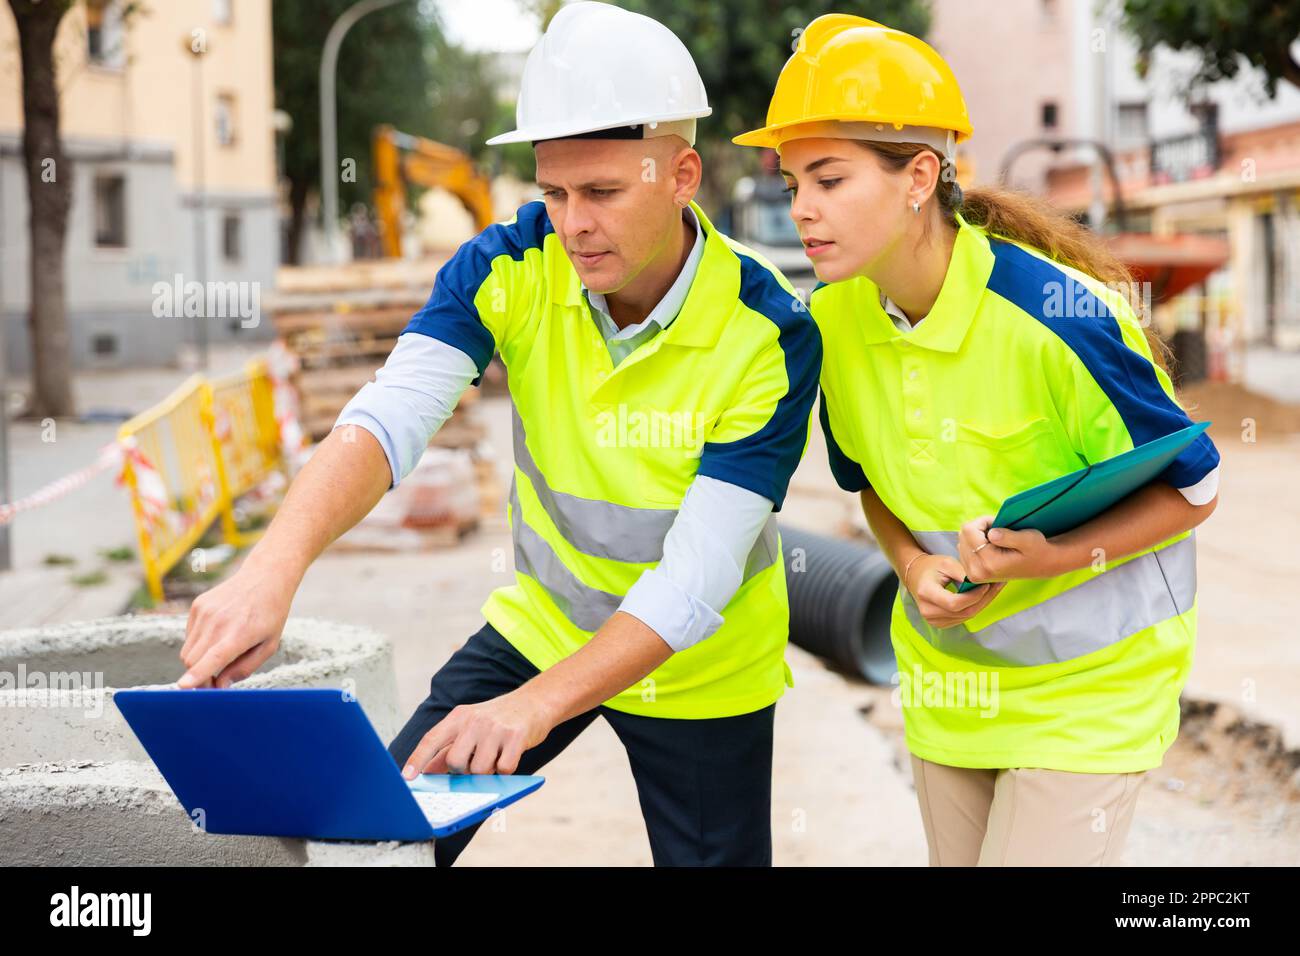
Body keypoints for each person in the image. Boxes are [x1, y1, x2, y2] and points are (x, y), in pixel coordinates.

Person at [177, 1, 820, 867]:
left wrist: (533, 707)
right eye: (553, 192)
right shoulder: (506, 265)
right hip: (547, 626)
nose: (573, 224)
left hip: (700, 668)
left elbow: (694, 582)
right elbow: (388, 416)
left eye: (601, 192)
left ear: (681, 176)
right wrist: (272, 568)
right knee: (378, 837)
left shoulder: (768, 331)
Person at [734, 14, 1221, 866]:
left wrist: (1054, 559)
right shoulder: (832, 320)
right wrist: (913, 565)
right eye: (791, 183)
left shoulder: (1055, 317)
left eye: (829, 178)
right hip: (951, 687)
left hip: (1091, 693)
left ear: (919, 175)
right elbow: (866, 483)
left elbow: (1196, 489)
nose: (802, 208)